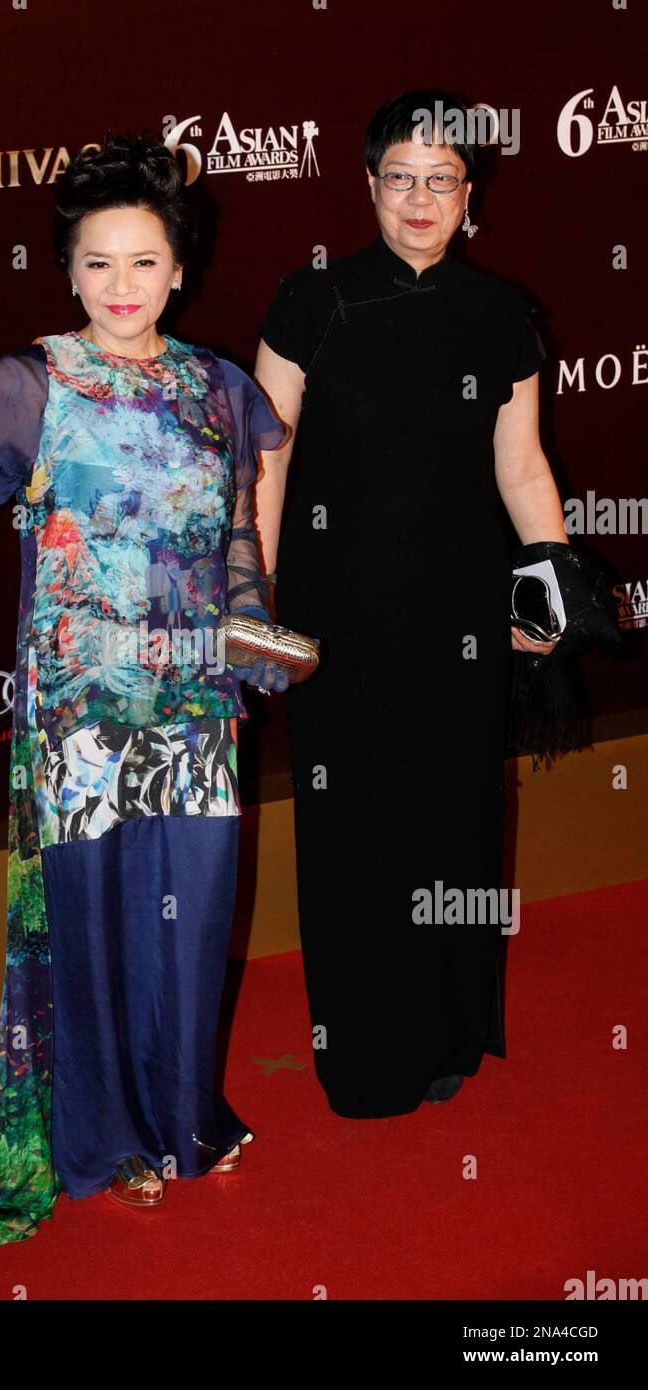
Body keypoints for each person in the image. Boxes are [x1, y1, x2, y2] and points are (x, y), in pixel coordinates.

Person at [0, 134, 290, 1250]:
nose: (123, 286)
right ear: (68, 271)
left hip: (194, 711)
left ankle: (186, 1117)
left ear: (179, 268)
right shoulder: (35, 384)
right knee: (99, 932)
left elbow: (235, 537)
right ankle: (109, 1139)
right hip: (80, 718)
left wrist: (253, 624)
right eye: (99, 263)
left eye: (144, 261)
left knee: (192, 925)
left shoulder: (219, 389)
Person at [252, 89, 572, 1120]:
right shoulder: (311, 301)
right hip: (337, 615)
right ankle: (364, 1055)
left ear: (470, 194)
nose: (420, 199)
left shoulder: (500, 314)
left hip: (460, 615)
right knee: (355, 827)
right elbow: (267, 462)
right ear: (368, 185)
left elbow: (522, 468)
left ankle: (447, 1031)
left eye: (442, 179)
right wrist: (255, 594)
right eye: (401, 178)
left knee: (453, 818)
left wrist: (548, 586)